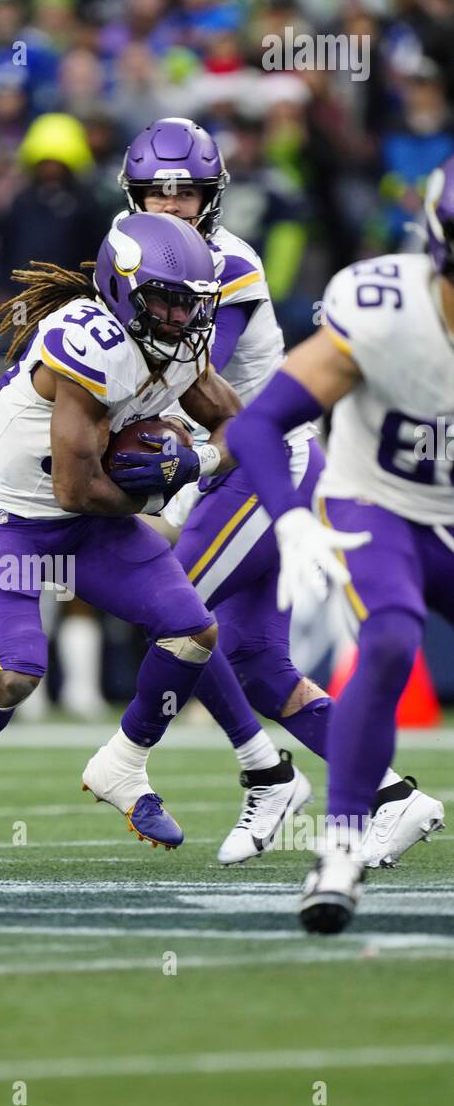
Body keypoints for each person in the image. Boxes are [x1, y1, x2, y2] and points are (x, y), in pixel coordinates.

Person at [119, 116, 441, 869]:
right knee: (259, 661)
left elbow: (185, 374)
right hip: (219, 472)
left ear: (212, 197)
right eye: (158, 192)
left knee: (171, 610)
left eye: (187, 192)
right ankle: (395, 798)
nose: (171, 206)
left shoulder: (226, 260)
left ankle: (263, 772)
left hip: (265, 465)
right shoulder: (124, 246)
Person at [0, 211, 239, 861]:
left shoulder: (182, 344)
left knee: (193, 633)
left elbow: (236, 428)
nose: (178, 319)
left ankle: (125, 766)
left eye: (189, 304)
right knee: (17, 674)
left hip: (88, 520)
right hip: (14, 518)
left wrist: (200, 463)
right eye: (164, 301)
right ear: (121, 289)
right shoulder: (86, 347)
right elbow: (74, 490)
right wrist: (154, 491)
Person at [227, 158, 454, 933]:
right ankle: (343, 851)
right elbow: (259, 423)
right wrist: (290, 517)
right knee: (390, 638)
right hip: (376, 504)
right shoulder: (386, 311)